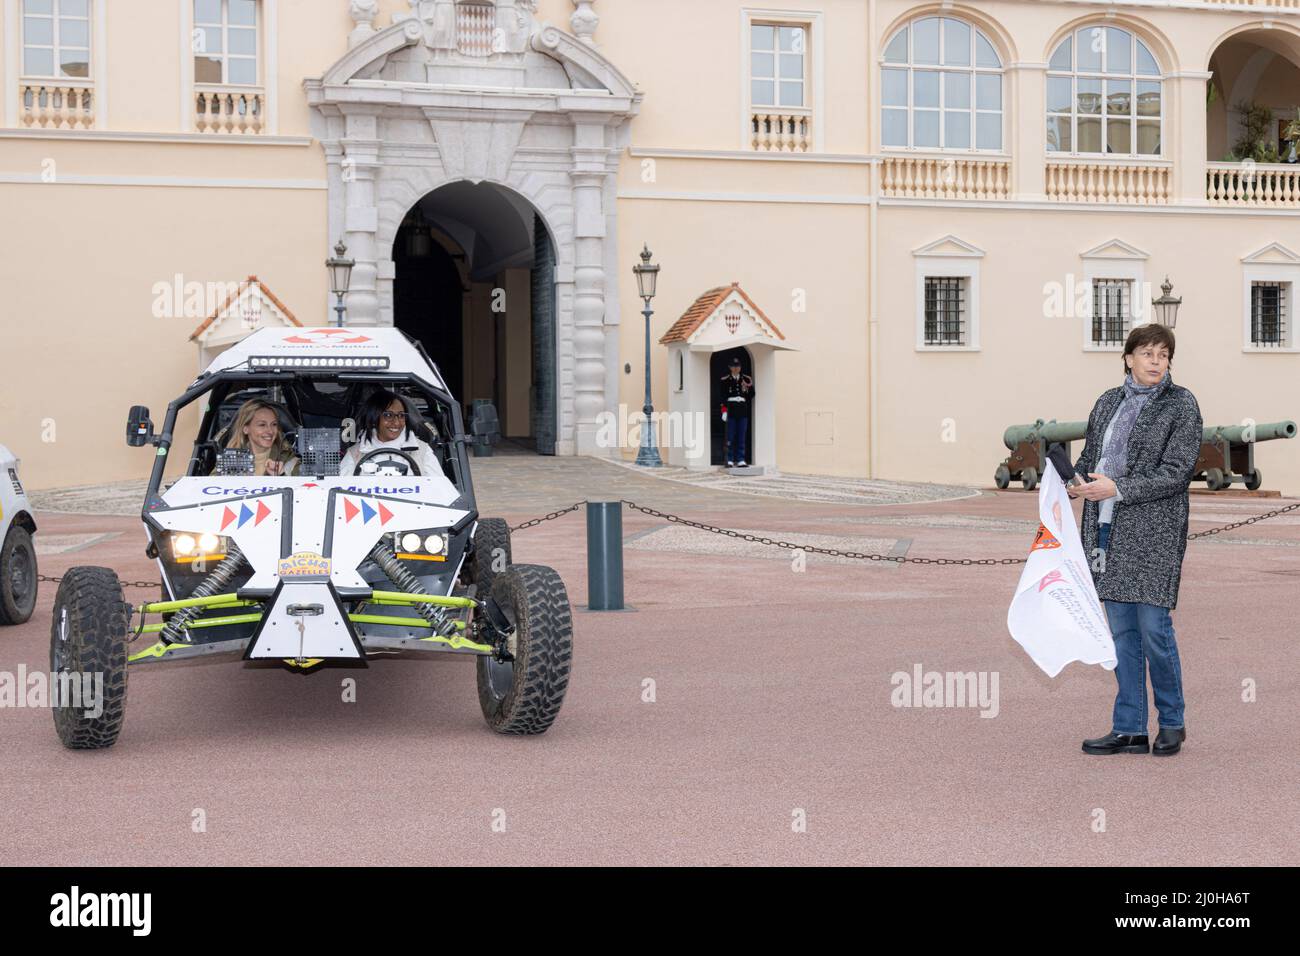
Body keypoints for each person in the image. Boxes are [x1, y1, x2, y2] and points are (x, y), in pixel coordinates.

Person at [1068, 323, 1202, 757]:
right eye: (1148, 353)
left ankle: (1172, 721)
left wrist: (1118, 487)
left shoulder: (1181, 405)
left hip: (1155, 532)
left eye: (1163, 355)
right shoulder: (1107, 402)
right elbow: (1091, 460)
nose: (1156, 362)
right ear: (1129, 357)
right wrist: (1076, 482)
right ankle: (1128, 728)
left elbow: (1176, 472)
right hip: (1106, 530)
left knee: (1154, 630)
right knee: (1122, 634)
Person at [341, 389, 441, 478]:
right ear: (374, 418)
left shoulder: (422, 451)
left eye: (401, 415)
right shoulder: (355, 454)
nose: (397, 422)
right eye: (388, 415)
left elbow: (439, 489)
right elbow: (340, 490)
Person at [218, 400, 299, 476]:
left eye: (274, 424)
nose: (270, 431)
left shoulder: (288, 457)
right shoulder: (232, 458)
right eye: (262, 425)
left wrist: (282, 475)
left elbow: (305, 486)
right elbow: (211, 484)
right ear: (245, 429)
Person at [720, 355, 754, 467]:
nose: (736, 368)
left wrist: (747, 389)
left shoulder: (746, 379)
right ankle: (729, 459)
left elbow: (752, 395)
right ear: (730, 367)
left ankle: (740, 459)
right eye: (734, 366)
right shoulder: (725, 380)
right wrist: (724, 411)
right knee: (730, 436)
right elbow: (722, 397)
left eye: (738, 366)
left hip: (742, 410)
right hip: (731, 409)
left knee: (741, 436)